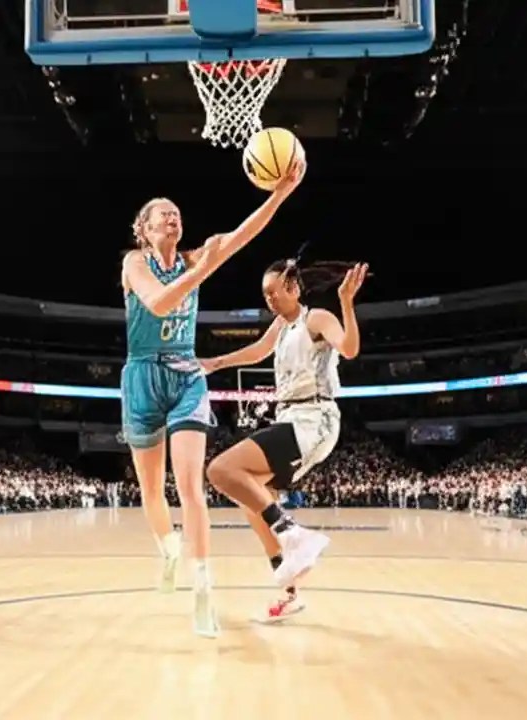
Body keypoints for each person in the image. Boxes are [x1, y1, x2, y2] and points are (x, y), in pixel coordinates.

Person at [121, 159, 305, 638]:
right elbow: (159, 302)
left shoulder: (195, 255)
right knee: (150, 488)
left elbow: (245, 233)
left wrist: (280, 193)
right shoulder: (134, 263)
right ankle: (168, 550)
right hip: (142, 374)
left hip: (185, 372)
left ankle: (203, 593)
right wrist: (203, 269)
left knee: (191, 487)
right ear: (143, 228)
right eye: (162, 213)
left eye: (176, 212)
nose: (172, 217)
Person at [201, 258, 367, 623]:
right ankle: (290, 590)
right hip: (291, 417)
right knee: (250, 498)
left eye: (273, 292)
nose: (269, 300)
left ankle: (292, 532)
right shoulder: (281, 325)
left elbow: (351, 348)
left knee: (221, 469)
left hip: (315, 419)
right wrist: (215, 363)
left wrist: (347, 304)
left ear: (293, 289)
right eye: (264, 295)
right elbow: (257, 351)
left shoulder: (317, 319)